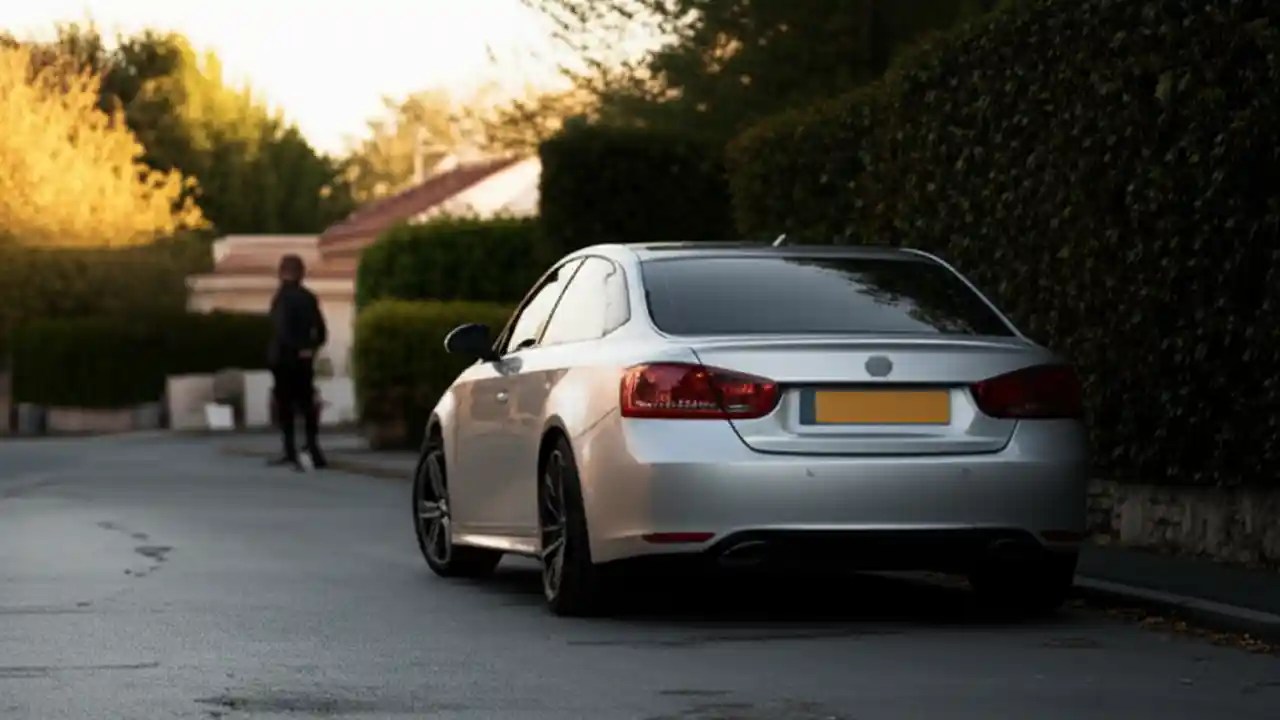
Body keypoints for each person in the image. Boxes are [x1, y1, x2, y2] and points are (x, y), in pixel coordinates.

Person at [267, 254, 328, 471]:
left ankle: (290, 450)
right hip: (304, 360)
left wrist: (292, 348)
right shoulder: (309, 298)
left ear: (282, 272)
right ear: (301, 273)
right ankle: (313, 448)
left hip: (283, 360)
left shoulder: (280, 298)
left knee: (286, 406)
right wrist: (309, 348)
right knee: (307, 404)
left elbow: (281, 330)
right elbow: (321, 331)